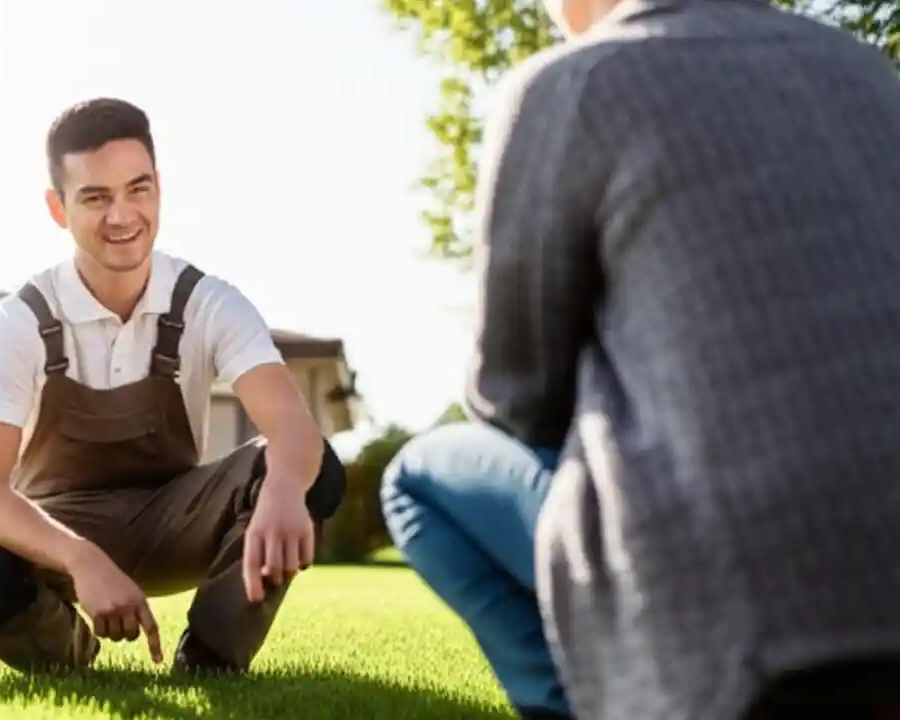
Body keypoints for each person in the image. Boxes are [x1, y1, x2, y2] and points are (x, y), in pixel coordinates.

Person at [379, 0, 900, 718]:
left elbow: (513, 398)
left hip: (733, 604)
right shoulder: (865, 69)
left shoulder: (570, 84)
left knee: (417, 478)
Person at [0, 97, 345, 676]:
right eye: (96, 197)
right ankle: (69, 656)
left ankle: (212, 660)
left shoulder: (206, 301)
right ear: (57, 207)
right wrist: (80, 557)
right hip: (57, 538)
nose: (122, 215)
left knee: (313, 471)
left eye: (137, 190)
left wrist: (285, 486)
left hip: (176, 524)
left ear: (159, 189)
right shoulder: (21, 320)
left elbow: (293, 426)